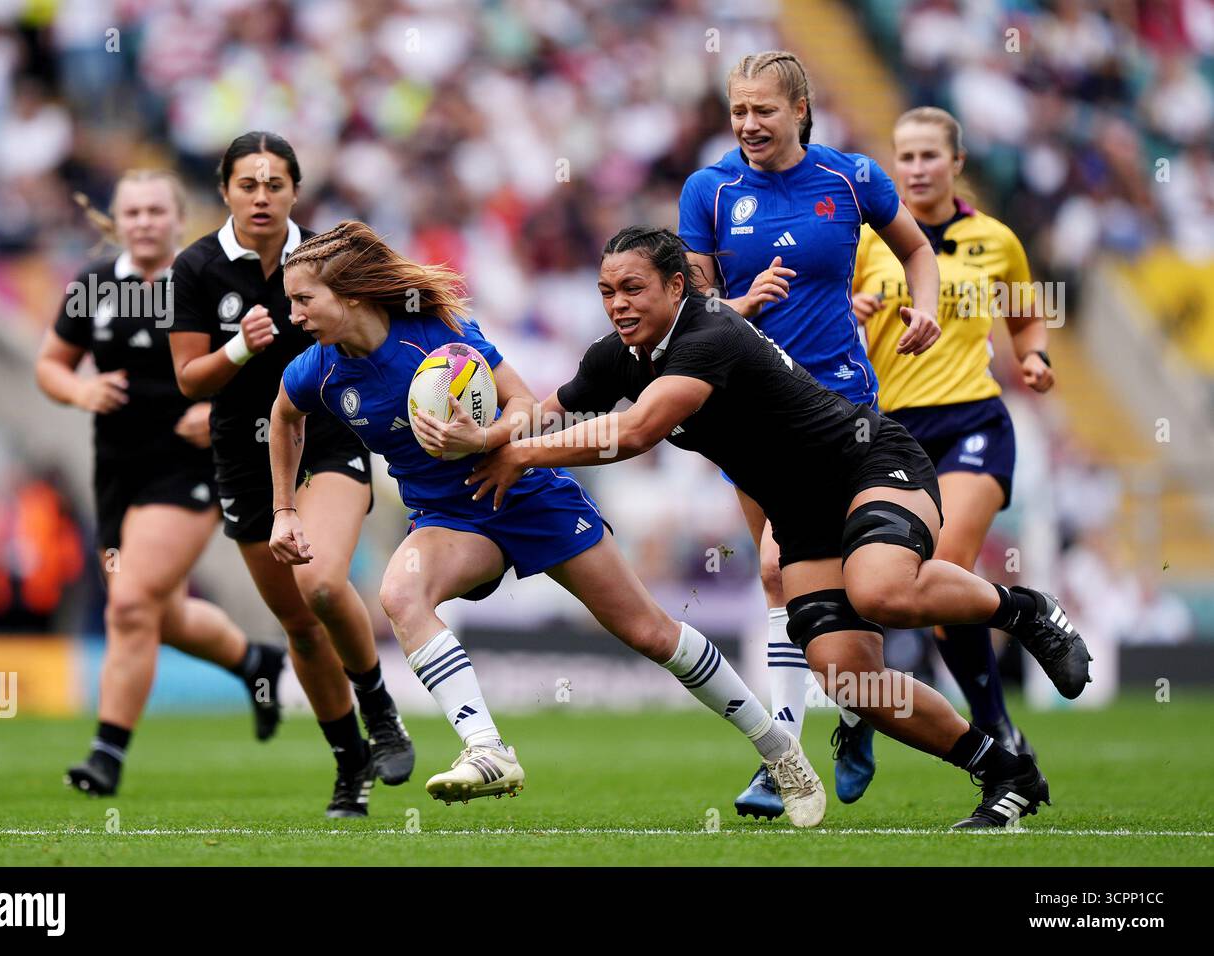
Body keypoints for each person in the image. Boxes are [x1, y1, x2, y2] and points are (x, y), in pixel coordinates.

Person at [470, 227, 1092, 828]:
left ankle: (1026, 610)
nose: (618, 304)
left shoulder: (709, 334)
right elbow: (549, 411)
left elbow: (635, 432)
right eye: (607, 292)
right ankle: (1006, 774)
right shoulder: (615, 357)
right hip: (801, 517)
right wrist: (487, 437)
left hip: (869, 464)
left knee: (881, 590)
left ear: (677, 286)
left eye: (632, 288)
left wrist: (520, 455)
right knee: (849, 679)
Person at [267, 220, 829, 826]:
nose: (293, 314)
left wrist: (481, 437)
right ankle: (486, 751)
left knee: (650, 633)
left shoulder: (434, 334)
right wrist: (284, 509)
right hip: (448, 516)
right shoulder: (315, 371)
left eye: (304, 299)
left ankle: (780, 752)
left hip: (529, 494)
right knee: (401, 593)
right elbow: (283, 420)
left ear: (349, 296)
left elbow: (528, 407)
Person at [678, 50, 942, 816]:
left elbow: (918, 248)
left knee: (777, 565)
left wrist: (923, 305)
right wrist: (743, 303)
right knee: (790, 583)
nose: (749, 124)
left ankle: (782, 756)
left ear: (800, 110)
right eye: (738, 110)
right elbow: (694, 317)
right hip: (751, 414)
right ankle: (856, 708)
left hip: (841, 411)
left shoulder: (850, 178)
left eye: (764, 109)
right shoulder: (711, 189)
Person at [167, 133, 412, 819]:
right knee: (299, 624)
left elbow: (392, 318)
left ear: (296, 191)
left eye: (276, 183)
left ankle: (381, 708)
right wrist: (240, 346)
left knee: (324, 583)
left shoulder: (330, 260)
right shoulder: (194, 268)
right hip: (243, 457)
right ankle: (350, 763)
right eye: (248, 184)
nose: (262, 195)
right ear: (225, 191)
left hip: (329, 435)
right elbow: (189, 380)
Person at [36, 169, 283, 796]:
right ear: (117, 222)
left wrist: (219, 409)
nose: (144, 221)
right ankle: (255, 662)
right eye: (133, 212)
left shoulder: (201, 280)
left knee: (129, 604)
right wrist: (81, 389)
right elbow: (50, 366)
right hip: (118, 466)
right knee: (158, 614)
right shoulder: (94, 285)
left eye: (156, 210)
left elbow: (262, 363)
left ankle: (106, 755)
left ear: (179, 218)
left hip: (192, 463)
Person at [852, 106, 1056, 768]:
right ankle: (864, 710)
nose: (914, 169)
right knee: (892, 586)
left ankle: (994, 725)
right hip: (893, 433)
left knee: (943, 567)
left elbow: (1028, 318)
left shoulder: (996, 240)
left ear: (957, 163)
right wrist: (847, 311)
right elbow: (822, 323)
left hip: (973, 421)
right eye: (903, 157)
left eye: (928, 156)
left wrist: (1034, 357)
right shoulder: (865, 242)